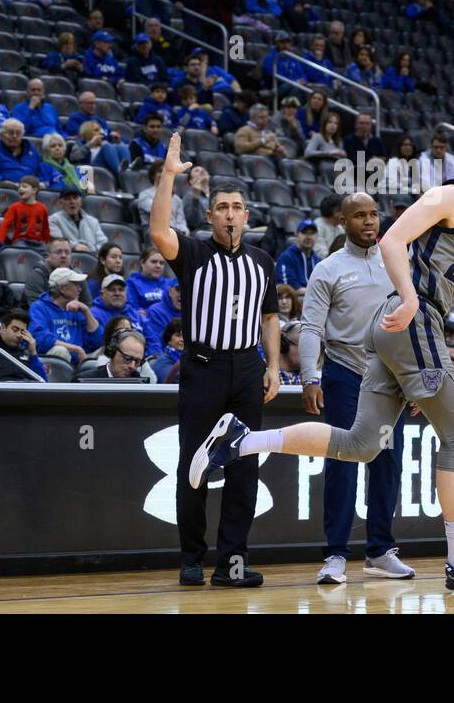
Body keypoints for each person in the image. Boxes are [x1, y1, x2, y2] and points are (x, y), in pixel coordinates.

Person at [184, 130, 454, 591]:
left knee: (363, 444)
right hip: (411, 319)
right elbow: (393, 242)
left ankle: (242, 441)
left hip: (400, 324)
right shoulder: (450, 195)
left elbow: (441, 266)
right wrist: (407, 298)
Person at [148, 138, 281, 589]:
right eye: (221, 206)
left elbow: (270, 316)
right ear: (210, 216)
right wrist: (169, 175)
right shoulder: (194, 254)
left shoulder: (263, 262)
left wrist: (274, 366)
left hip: (246, 369)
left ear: (247, 215)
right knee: (194, 463)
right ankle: (191, 558)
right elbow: (158, 233)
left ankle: (232, 563)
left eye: (236, 207)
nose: (228, 213)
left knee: (245, 466)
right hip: (202, 366)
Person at [297, 192, 413, 584]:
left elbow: (415, 320)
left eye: (373, 214)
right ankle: (335, 555)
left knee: (386, 463)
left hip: (390, 377)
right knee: (343, 463)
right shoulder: (327, 269)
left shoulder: (397, 261)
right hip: (345, 374)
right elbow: (311, 327)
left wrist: (417, 379)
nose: (369, 221)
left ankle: (380, 550)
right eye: (359, 215)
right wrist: (310, 376)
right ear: (341, 221)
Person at [29, 266, 102, 364]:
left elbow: (96, 342)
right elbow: (42, 340)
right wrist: (76, 349)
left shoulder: (77, 309)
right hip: (52, 361)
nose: (80, 289)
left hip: (80, 359)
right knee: (61, 351)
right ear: (62, 288)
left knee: (110, 350)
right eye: (76, 285)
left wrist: (86, 311)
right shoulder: (39, 307)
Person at [0, 310, 47, 382]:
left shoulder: (26, 352)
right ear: (3, 328)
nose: (19, 335)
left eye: (22, 331)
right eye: (15, 330)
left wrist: (33, 352)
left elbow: (43, 383)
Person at [26, 239, 93, 306]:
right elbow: (37, 308)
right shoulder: (37, 274)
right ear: (47, 256)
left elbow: (88, 304)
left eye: (67, 252)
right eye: (58, 252)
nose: (63, 256)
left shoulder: (77, 275)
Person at [0, 120, 46, 186]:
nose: (15, 136)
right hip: (6, 190)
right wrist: (3, 181)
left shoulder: (31, 150)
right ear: (1, 134)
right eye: (10, 133)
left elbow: (41, 172)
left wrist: (41, 183)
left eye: (18, 133)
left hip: (30, 191)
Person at [0, 176, 50, 246]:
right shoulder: (14, 207)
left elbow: (45, 228)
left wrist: (48, 243)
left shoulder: (43, 208)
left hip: (38, 242)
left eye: (24, 187)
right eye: (19, 187)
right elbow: (5, 226)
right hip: (20, 240)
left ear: (34, 190)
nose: (20, 189)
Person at [276, 218, 321, 289]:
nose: (308, 237)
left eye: (312, 233)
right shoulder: (286, 258)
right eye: (304, 233)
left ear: (317, 236)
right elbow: (287, 287)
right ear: (296, 235)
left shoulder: (318, 260)